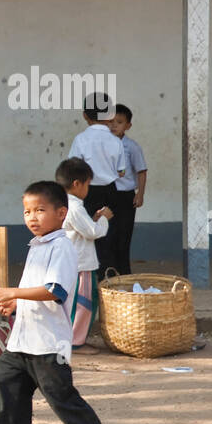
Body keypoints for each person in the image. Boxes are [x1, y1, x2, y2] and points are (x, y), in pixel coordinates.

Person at [0, 181, 122, 424]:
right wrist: (15, 303)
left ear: (61, 213)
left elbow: (55, 290)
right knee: (7, 388)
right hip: (22, 340)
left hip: (47, 343)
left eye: (40, 210)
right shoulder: (37, 245)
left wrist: (13, 293)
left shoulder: (61, 247)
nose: (32, 217)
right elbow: (34, 289)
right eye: (26, 211)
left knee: (61, 397)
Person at [68, 93, 127, 277]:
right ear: (110, 115)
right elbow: (121, 171)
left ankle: (88, 274)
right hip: (111, 192)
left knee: (87, 232)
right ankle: (107, 278)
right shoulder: (116, 141)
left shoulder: (81, 139)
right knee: (108, 235)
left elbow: (73, 167)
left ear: (85, 115)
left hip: (87, 191)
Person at [56, 157, 112, 350]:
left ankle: (72, 339)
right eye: (87, 184)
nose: (88, 189)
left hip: (71, 262)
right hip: (81, 264)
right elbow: (93, 232)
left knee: (72, 303)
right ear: (77, 184)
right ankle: (75, 342)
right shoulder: (75, 206)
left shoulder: (62, 203)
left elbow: (82, 228)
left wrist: (95, 218)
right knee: (83, 303)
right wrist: (104, 219)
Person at [107, 104, 147, 276]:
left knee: (123, 235)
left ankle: (124, 274)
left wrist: (140, 194)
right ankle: (108, 273)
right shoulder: (103, 144)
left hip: (125, 197)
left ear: (128, 126)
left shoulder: (132, 147)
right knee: (106, 235)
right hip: (106, 194)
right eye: (111, 122)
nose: (114, 125)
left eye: (119, 122)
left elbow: (141, 171)